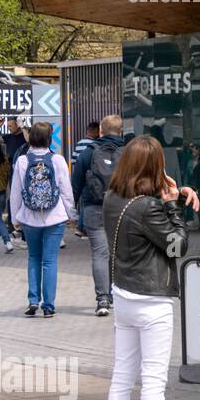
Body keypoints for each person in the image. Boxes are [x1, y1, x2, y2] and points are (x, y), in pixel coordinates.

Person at [104, 135, 200, 400]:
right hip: (152, 300)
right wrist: (174, 205)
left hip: (124, 297)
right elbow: (177, 246)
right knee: (153, 383)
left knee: (122, 377)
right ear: (154, 167)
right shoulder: (148, 208)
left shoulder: (112, 198)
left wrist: (166, 200)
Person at [9, 123, 76, 317]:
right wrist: (71, 214)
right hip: (54, 218)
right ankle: (48, 306)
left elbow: (15, 193)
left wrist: (15, 218)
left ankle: (32, 301)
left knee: (33, 258)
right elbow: (66, 191)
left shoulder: (22, 161)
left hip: (29, 218)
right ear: (49, 138)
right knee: (50, 261)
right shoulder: (58, 160)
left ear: (31, 138)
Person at [72, 115, 126, 316]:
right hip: (122, 209)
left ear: (101, 131)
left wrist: (71, 211)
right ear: (121, 131)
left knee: (100, 254)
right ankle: (120, 296)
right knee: (120, 254)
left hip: (94, 209)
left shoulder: (89, 152)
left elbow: (75, 184)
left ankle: (102, 299)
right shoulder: (129, 153)